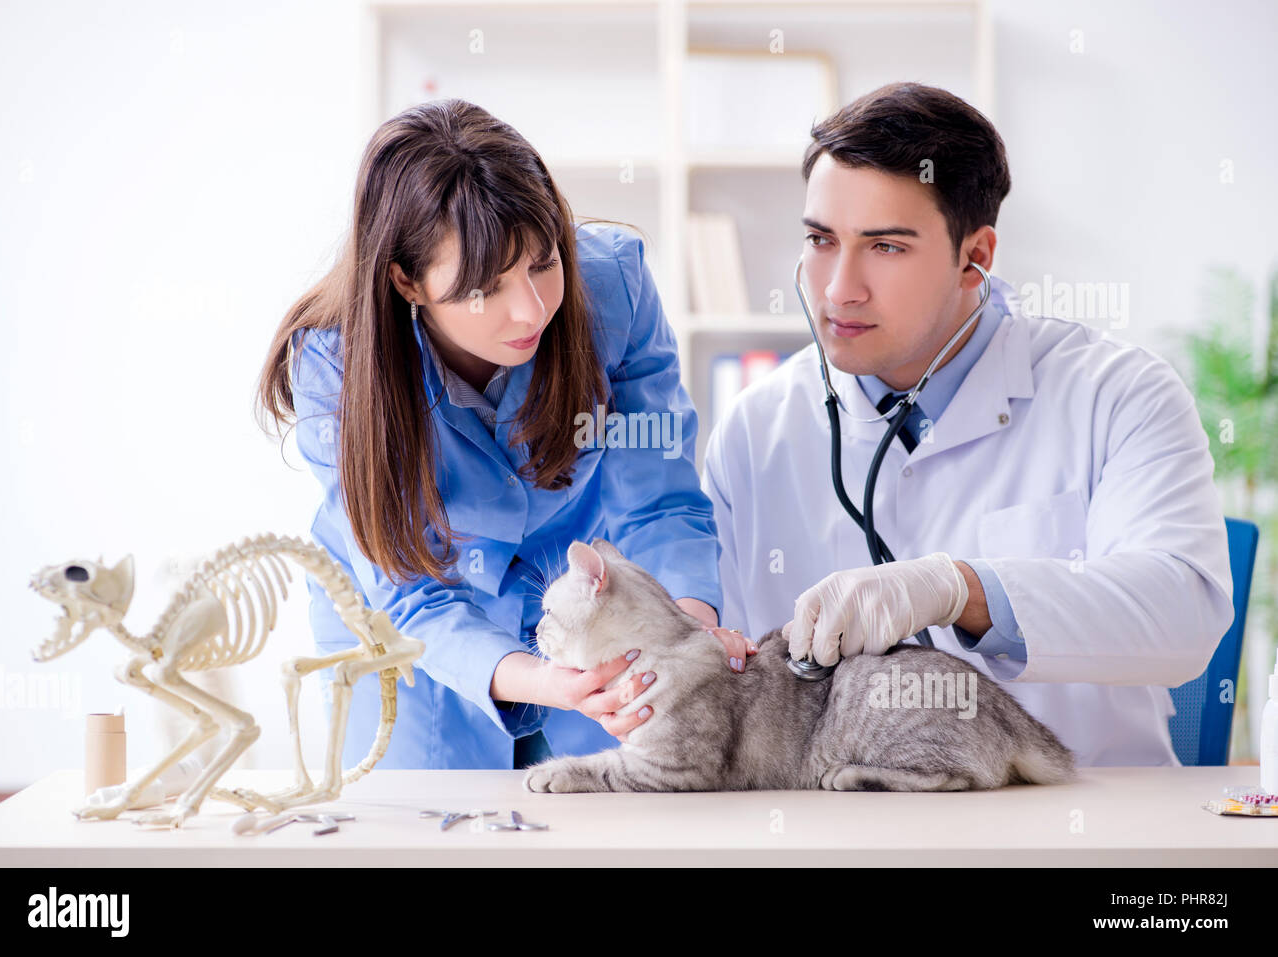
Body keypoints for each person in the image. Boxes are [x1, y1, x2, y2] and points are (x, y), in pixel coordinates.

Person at [702, 82, 1234, 767]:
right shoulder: (755, 427)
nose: (838, 288)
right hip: (839, 827)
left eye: (885, 247)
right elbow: (719, 659)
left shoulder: (1118, 392)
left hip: (1080, 823)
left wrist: (961, 588)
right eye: (821, 240)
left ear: (975, 256)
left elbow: (1183, 616)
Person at [257, 99, 755, 771]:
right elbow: (409, 591)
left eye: (543, 262)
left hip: (584, 614)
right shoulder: (335, 366)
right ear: (407, 279)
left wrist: (686, 636)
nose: (530, 309)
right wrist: (546, 681)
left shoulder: (616, 289)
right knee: (426, 833)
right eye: (484, 288)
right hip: (409, 647)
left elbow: (657, 501)